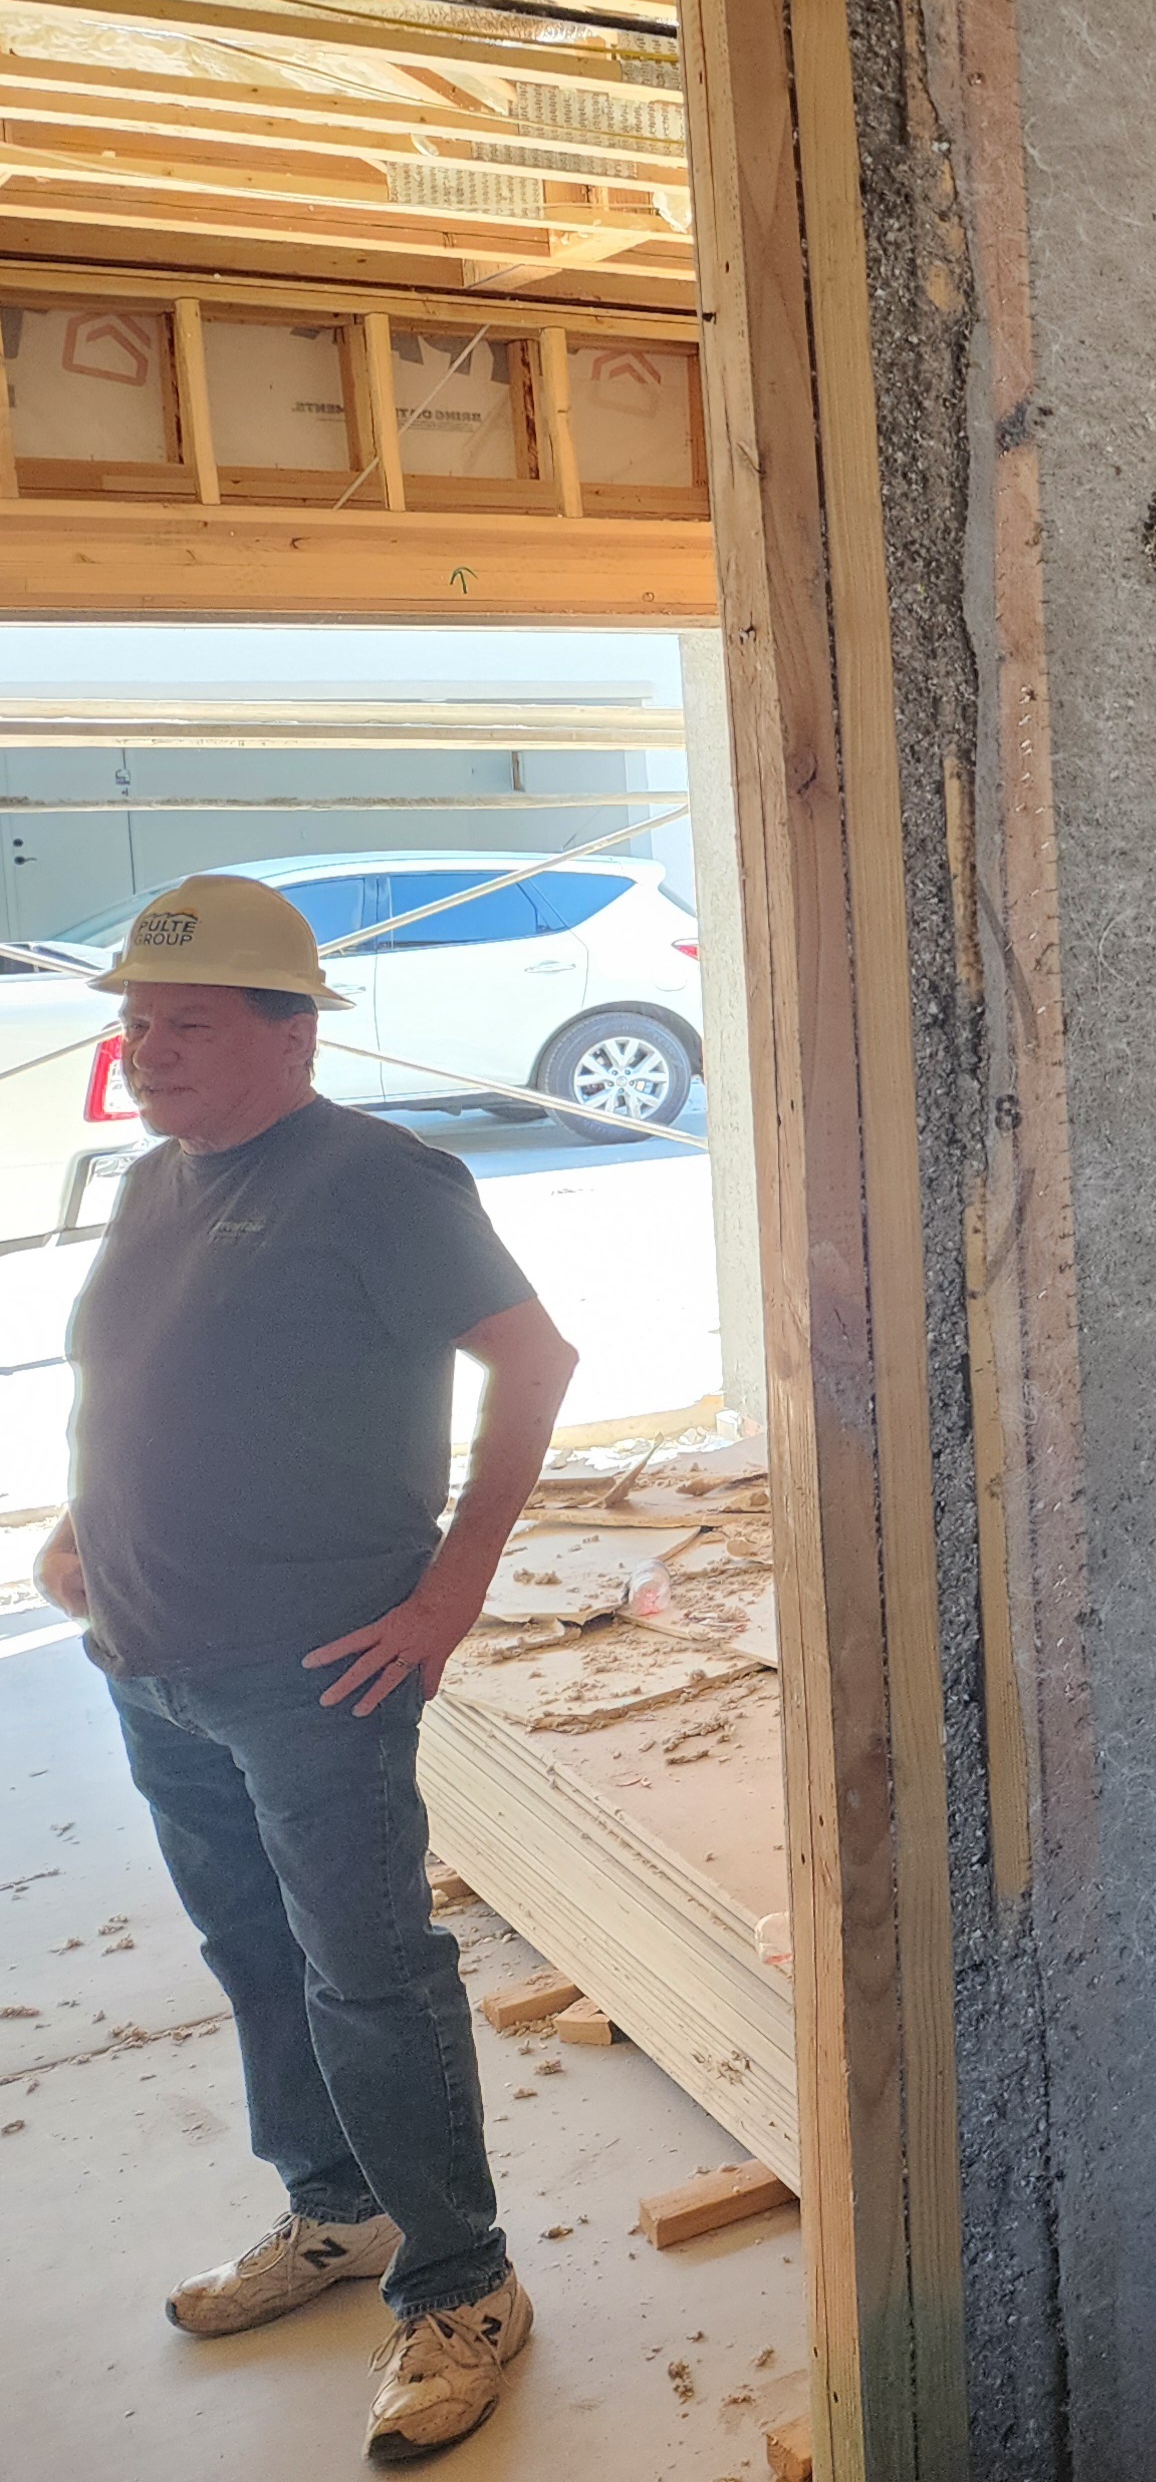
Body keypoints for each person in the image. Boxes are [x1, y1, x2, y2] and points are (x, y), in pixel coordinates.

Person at [33, 873, 580, 2464]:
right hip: (150, 1653)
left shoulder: (376, 1179)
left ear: (292, 1035)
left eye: (187, 1026)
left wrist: (451, 1591)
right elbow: (140, 1378)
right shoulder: (161, 1176)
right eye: (137, 1024)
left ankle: (465, 2288)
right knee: (252, 1949)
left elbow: (535, 1363)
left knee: (368, 1975)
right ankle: (334, 2209)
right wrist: (81, 1523)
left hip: (313, 1671)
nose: (147, 1051)